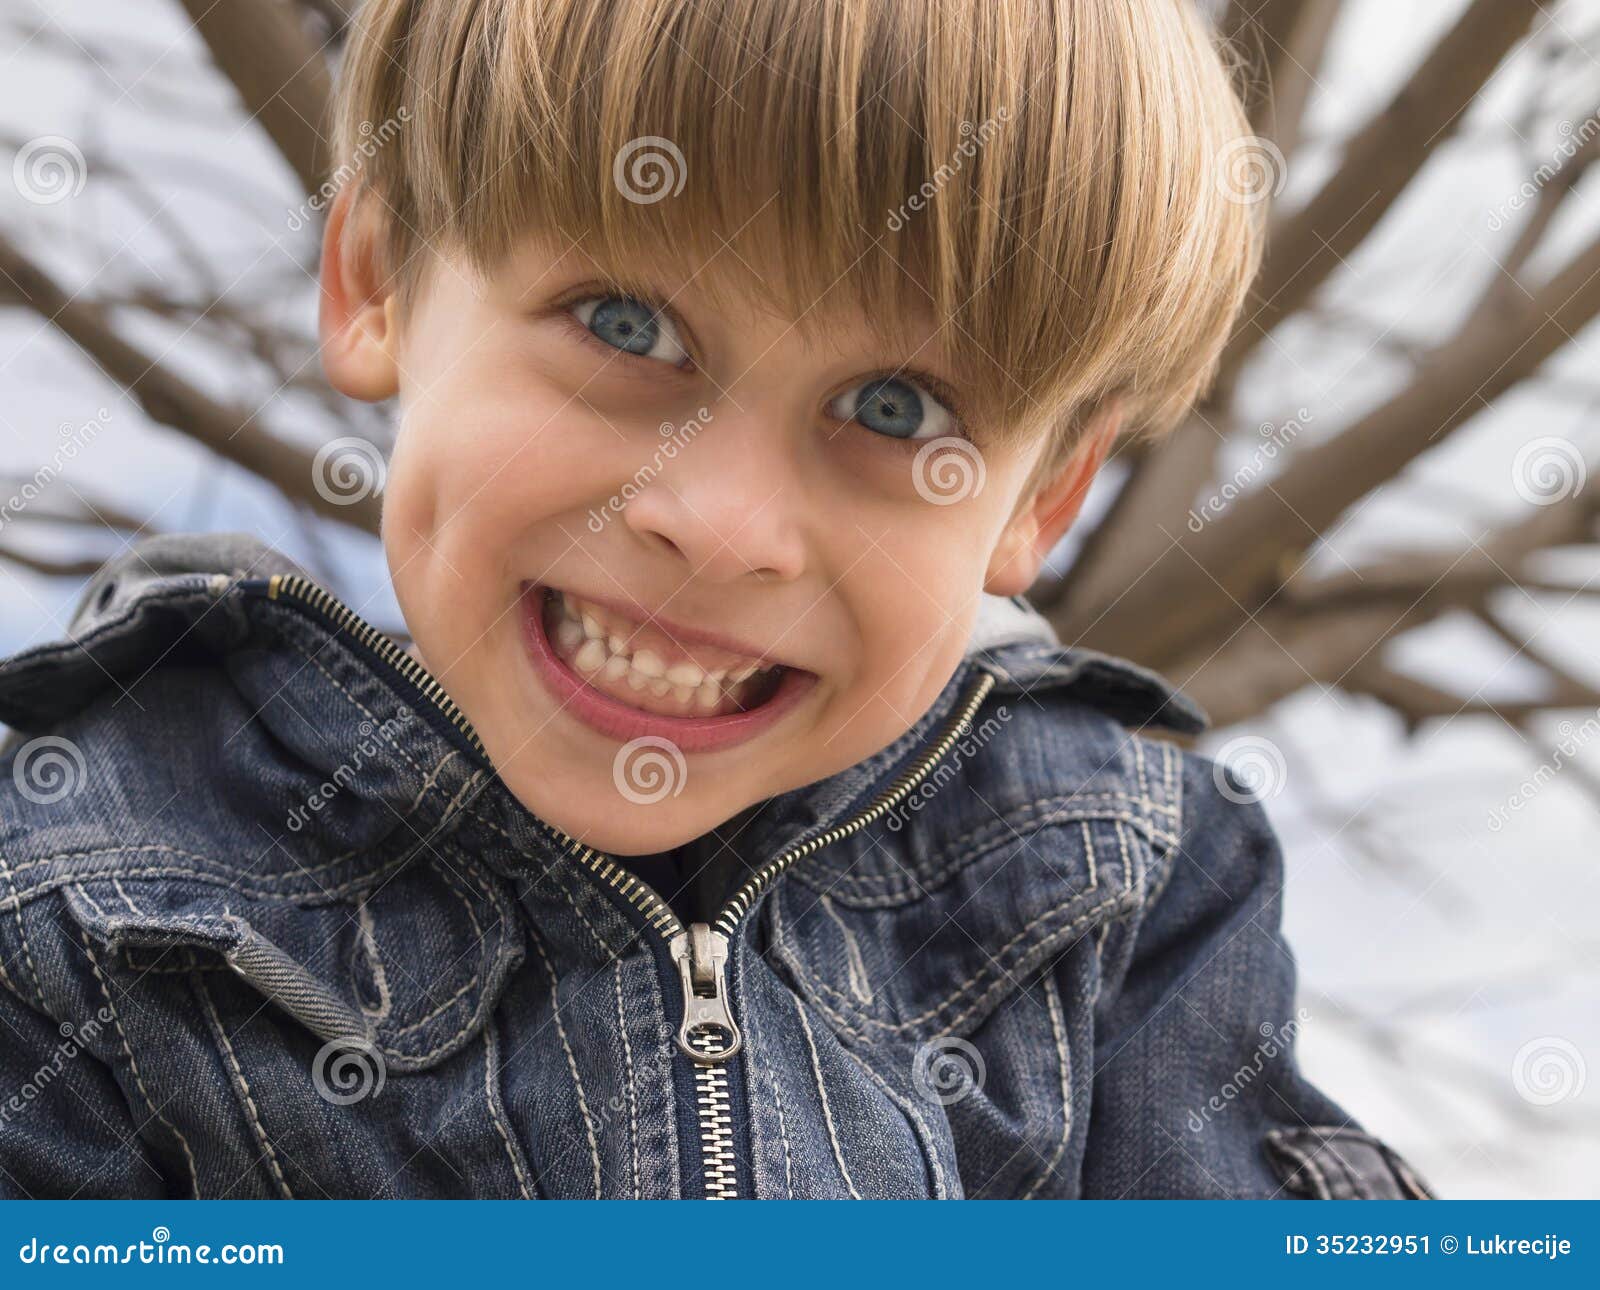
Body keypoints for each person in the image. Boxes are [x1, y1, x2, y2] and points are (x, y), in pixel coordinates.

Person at [0, 0, 1429, 1199]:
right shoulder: (85, 886)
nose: (726, 527)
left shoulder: (1120, 892)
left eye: (894, 405)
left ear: (1042, 501)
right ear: (378, 275)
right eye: (631, 326)